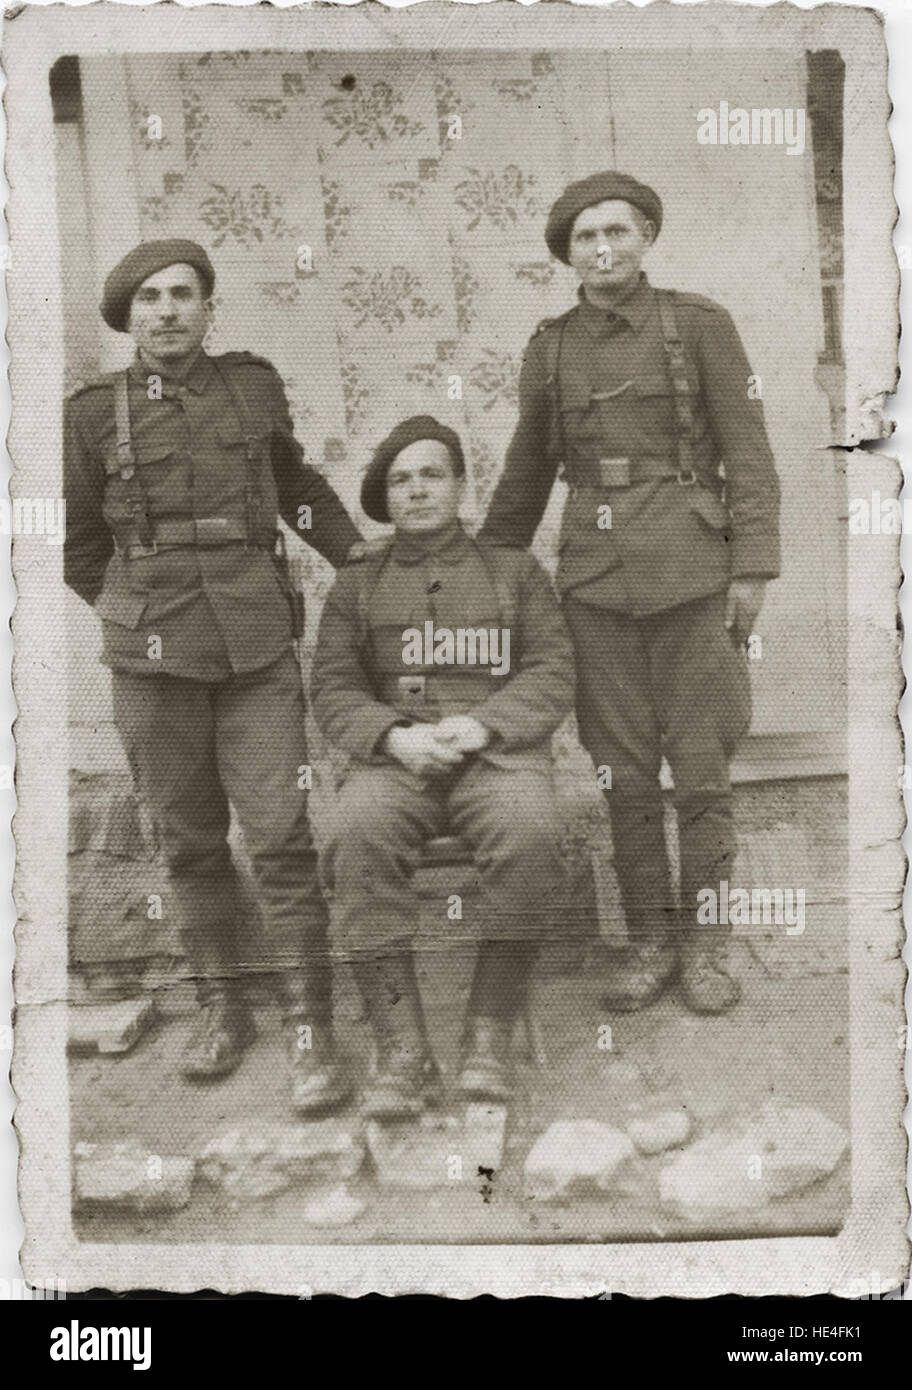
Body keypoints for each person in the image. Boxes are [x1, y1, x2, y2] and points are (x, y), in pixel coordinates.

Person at [64, 239, 361, 1110]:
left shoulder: (252, 385)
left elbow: (296, 484)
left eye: (183, 294)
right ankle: (222, 1007)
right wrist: (133, 609)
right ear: (130, 318)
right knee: (188, 840)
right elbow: (82, 545)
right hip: (153, 661)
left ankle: (313, 1026)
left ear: (207, 306)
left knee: (280, 833)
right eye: (150, 298)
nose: (168, 311)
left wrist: (354, 559)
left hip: (257, 649)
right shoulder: (90, 416)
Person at [480, 171, 781, 1015]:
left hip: (693, 575)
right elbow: (527, 471)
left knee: (703, 775)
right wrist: (483, 574)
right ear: (567, 255)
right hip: (595, 586)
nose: (604, 249)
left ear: (646, 236)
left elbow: (750, 457)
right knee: (623, 776)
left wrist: (752, 567)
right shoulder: (551, 347)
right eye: (586, 239)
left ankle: (709, 946)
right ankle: (650, 941)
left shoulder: (700, 326)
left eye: (618, 232)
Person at [312, 415, 575, 1117]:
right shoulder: (357, 583)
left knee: (532, 831)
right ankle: (402, 1047)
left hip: (495, 756)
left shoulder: (514, 571)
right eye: (401, 480)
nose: (417, 490)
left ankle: (487, 1033)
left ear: (461, 485)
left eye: (432, 474)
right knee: (354, 832)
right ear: (385, 497)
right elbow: (334, 687)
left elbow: (553, 671)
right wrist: (392, 736)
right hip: (396, 763)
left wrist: (484, 723)